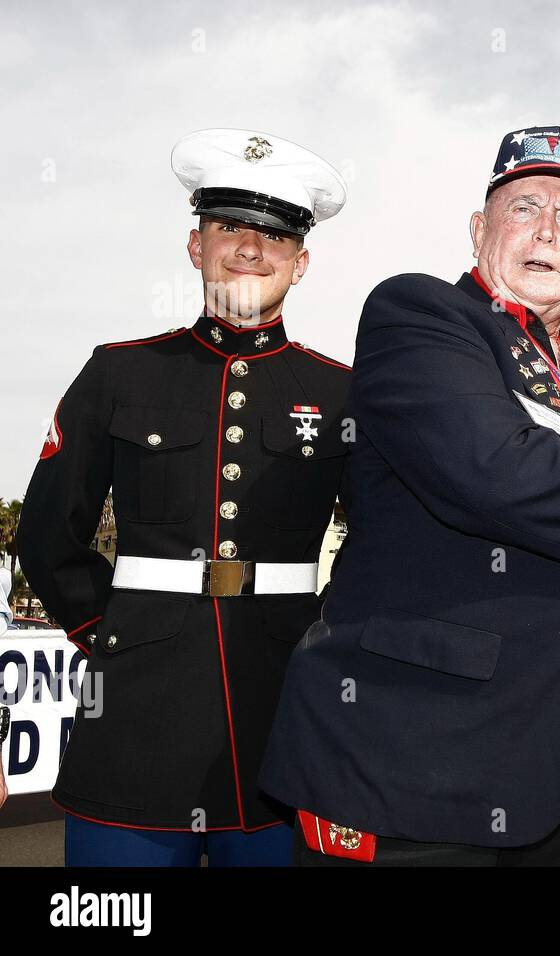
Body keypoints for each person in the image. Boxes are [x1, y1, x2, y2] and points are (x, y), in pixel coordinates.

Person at [259, 126, 560, 865]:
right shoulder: (421, 317)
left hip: (547, 774)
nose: (547, 229)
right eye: (524, 207)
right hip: (409, 765)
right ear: (481, 230)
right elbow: (492, 466)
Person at [15, 128, 351, 865]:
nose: (248, 249)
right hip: (135, 718)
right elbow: (47, 533)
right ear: (195, 246)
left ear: (301, 262)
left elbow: (382, 539)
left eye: (273, 236)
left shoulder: (342, 392)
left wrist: (329, 642)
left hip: (284, 719)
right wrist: (109, 632)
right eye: (228, 226)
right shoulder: (119, 373)